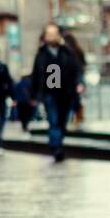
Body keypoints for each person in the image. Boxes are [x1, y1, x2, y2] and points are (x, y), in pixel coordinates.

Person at [30, 22, 82, 161]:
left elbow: (76, 69)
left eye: (53, 34)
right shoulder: (41, 54)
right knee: (53, 120)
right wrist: (34, 95)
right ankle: (56, 147)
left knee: (62, 121)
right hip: (49, 93)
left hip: (65, 92)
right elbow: (35, 74)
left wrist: (78, 84)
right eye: (49, 34)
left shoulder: (67, 52)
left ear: (58, 35)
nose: (51, 37)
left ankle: (56, 142)